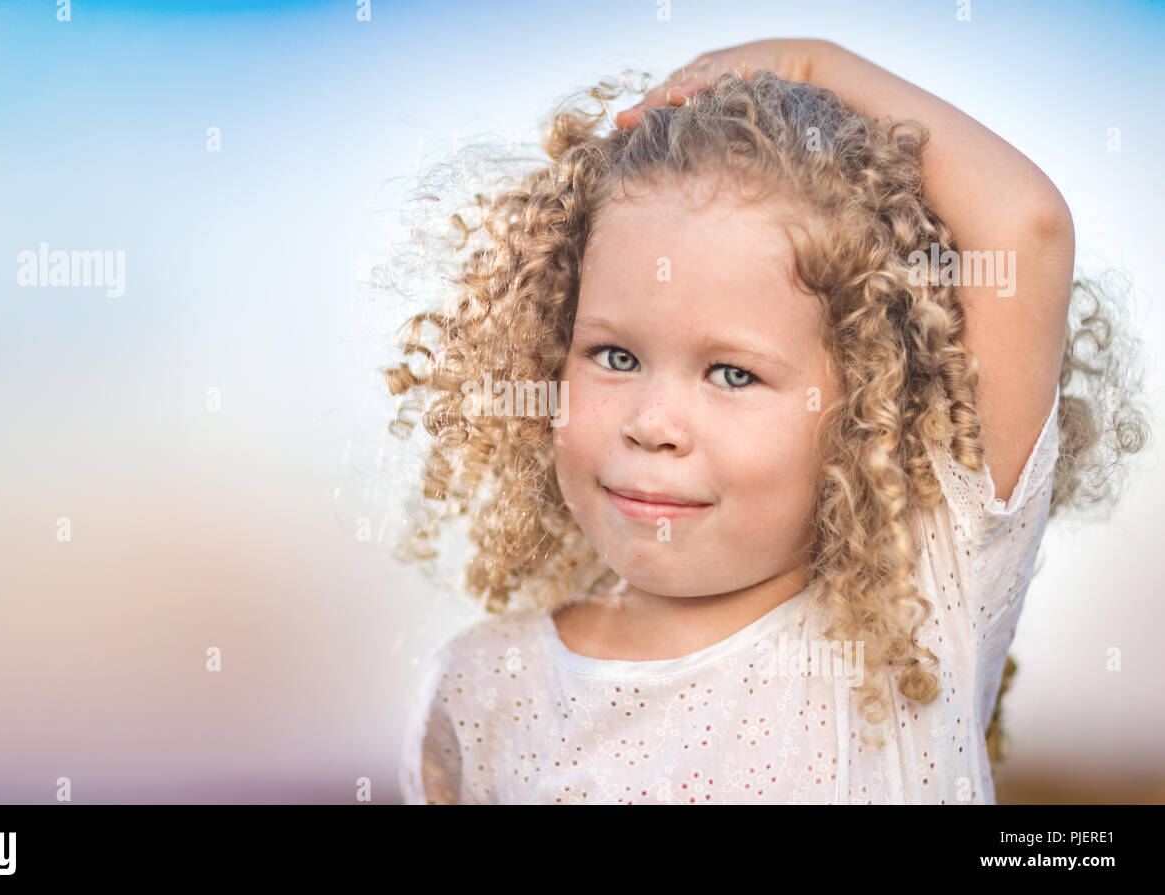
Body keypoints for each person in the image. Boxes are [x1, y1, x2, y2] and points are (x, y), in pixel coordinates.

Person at [384, 38, 1148, 804]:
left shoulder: (922, 610)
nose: (652, 424)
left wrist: (807, 62)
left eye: (732, 373)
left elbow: (1027, 227)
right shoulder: (483, 689)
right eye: (615, 357)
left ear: (873, 414)